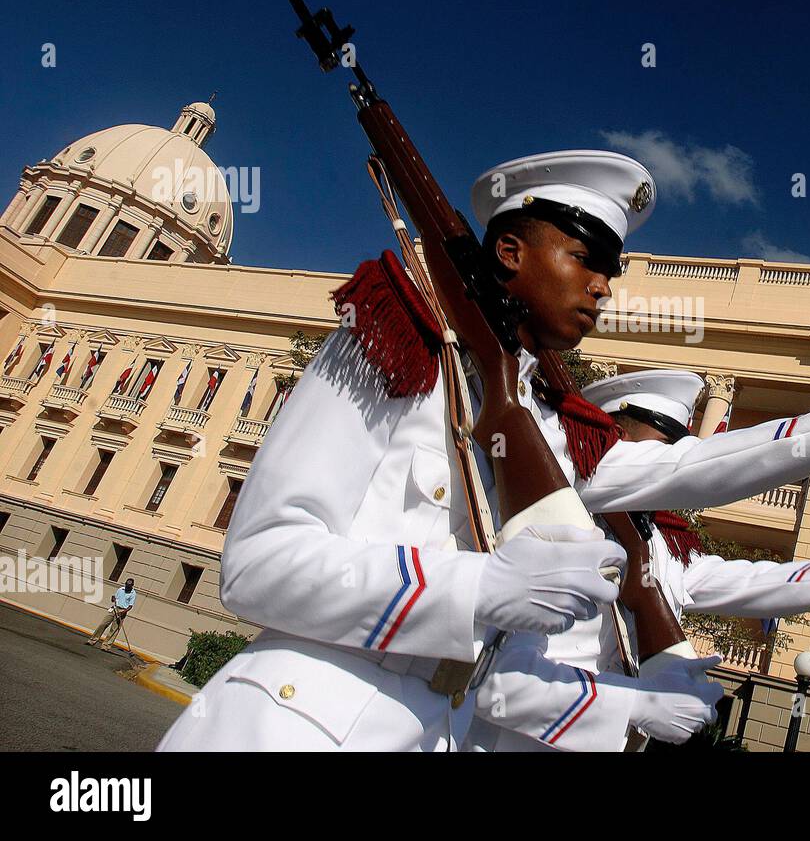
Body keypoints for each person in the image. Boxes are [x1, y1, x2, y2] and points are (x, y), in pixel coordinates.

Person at [159, 150, 718, 751]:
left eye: (610, 270)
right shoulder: (397, 338)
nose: (602, 286)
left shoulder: (538, 425)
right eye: (585, 259)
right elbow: (256, 564)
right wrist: (476, 588)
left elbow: (499, 677)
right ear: (510, 253)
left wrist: (627, 708)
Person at [462, 371, 810, 751]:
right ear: (614, 431)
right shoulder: (560, 511)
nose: (674, 454)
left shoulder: (660, 548)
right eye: (661, 439)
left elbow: (767, 582)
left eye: (680, 441)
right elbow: (494, 682)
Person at [87, 578, 136, 651]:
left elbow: (130, 606)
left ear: (132, 586)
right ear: (125, 584)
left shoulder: (133, 593)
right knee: (103, 624)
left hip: (122, 611)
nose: (127, 586)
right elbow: (115, 598)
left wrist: (123, 612)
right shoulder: (120, 589)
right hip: (114, 608)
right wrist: (113, 598)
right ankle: (92, 640)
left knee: (114, 630)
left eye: (129, 586)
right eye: (126, 585)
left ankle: (106, 646)